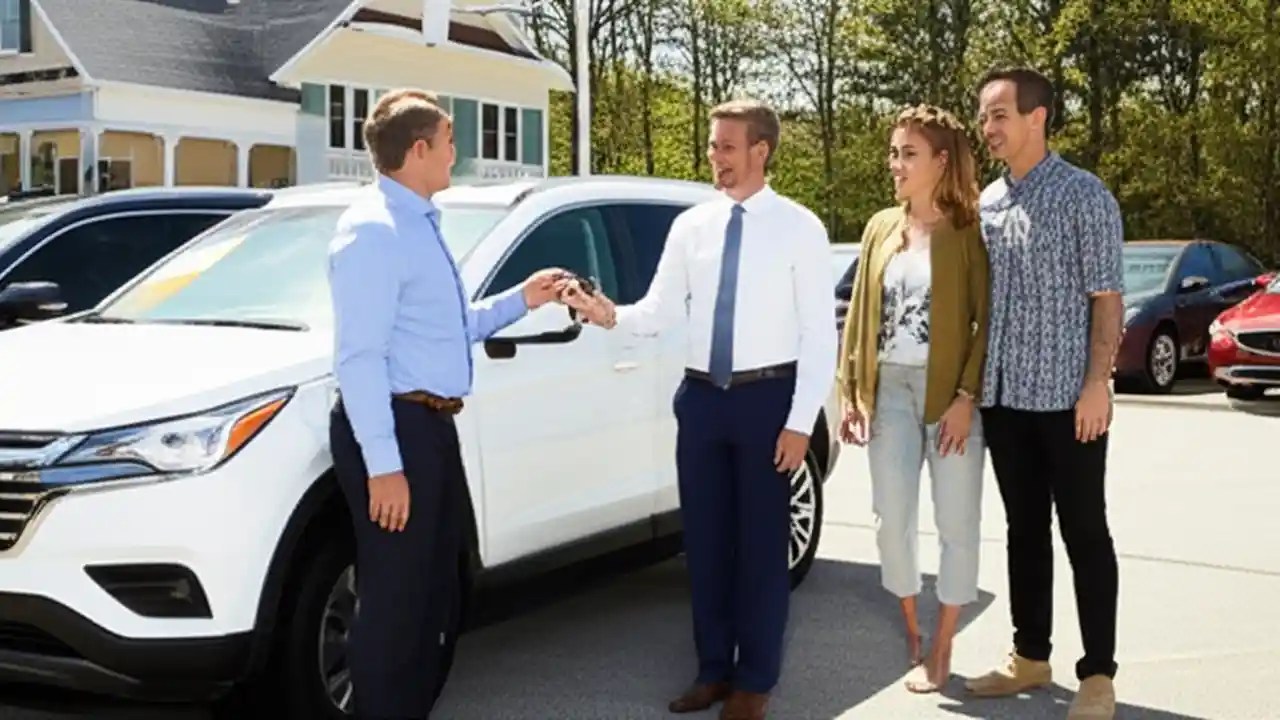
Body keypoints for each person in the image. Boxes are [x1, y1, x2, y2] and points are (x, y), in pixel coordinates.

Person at [558, 98, 836, 720]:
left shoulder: (801, 228)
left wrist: (799, 423)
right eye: (712, 147)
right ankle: (713, 670)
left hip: (768, 400)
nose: (716, 158)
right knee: (706, 545)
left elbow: (821, 336)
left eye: (727, 147)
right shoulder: (692, 227)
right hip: (702, 403)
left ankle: (754, 683)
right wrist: (605, 314)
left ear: (761, 151)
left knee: (762, 550)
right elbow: (656, 313)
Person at [327, 88, 564, 719]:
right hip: (396, 430)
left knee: (437, 598)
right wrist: (384, 464)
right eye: (450, 139)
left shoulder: (417, 224)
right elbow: (359, 358)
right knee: (395, 605)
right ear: (419, 149)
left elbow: (446, 329)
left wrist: (522, 299)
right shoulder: (374, 231)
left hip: (429, 427)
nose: (458, 151)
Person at [964, 67, 1124, 720]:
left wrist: (1097, 384)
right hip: (1004, 400)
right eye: (983, 116)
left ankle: (1099, 674)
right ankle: (1030, 655)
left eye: (1000, 114)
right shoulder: (986, 204)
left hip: (1068, 399)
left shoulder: (1086, 196)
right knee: (1022, 531)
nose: (988, 127)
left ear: (1038, 118)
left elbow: (1108, 302)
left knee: (1084, 532)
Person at [838, 104, 990, 694]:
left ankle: (945, 640)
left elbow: (985, 321)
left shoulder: (969, 227)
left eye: (908, 153)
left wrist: (965, 396)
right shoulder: (880, 227)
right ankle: (911, 629)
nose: (896, 164)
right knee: (890, 520)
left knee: (957, 521)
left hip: (948, 396)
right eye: (894, 152)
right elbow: (859, 317)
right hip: (891, 393)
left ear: (941, 161)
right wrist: (853, 389)